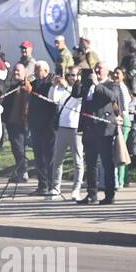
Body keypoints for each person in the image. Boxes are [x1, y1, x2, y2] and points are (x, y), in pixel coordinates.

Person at [75, 62, 123, 205]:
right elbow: (75, 94)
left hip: (104, 129)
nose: (97, 71)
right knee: (91, 163)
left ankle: (109, 194)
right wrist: (79, 80)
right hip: (89, 129)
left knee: (107, 163)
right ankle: (91, 194)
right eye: (95, 68)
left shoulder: (111, 84)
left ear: (106, 71)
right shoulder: (87, 84)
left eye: (100, 68)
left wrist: (97, 84)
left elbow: (112, 97)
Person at [48, 72, 85, 201]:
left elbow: (76, 95)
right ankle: (55, 187)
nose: (71, 77)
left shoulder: (80, 89)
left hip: (75, 128)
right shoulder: (63, 89)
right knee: (57, 159)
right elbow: (53, 99)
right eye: (69, 75)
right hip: (62, 127)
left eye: (74, 75)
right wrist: (54, 86)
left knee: (77, 160)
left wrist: (66, 87)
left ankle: (76, 189)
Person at [27, 60, 57, 195]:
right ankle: (42, 185)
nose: (35, 72)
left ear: (45, 71)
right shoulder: (33, 84)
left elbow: (50, 100)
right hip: (35, 124)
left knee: (49, 156)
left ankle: (51, 184)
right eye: (35, 69)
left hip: (48, 126)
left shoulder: (50, 84)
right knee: (38, 156)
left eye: (38, 69)